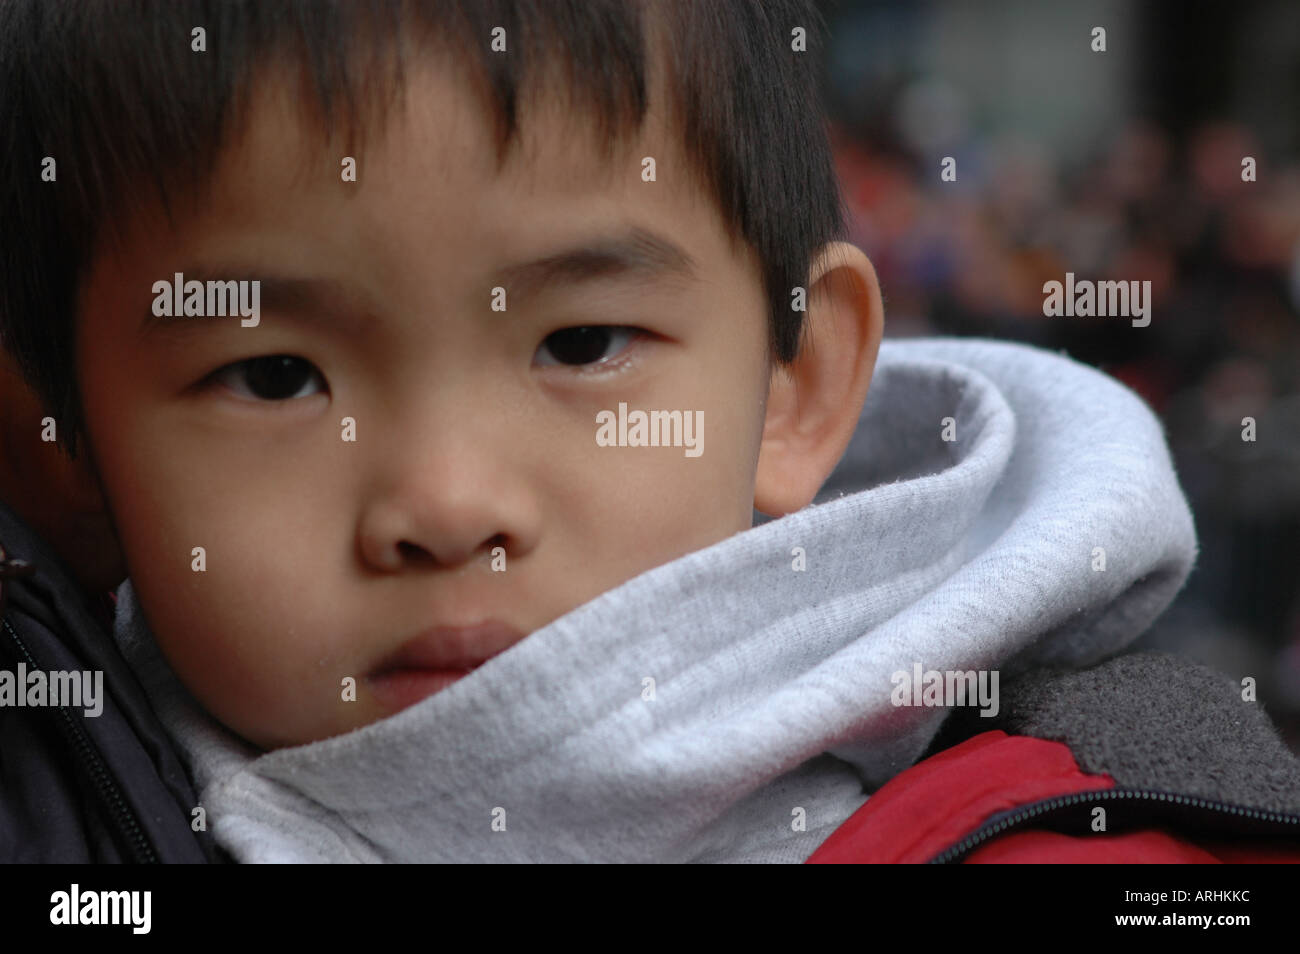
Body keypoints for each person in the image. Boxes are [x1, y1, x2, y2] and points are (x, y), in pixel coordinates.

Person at [1, 0, 1297, 863]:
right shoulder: (60, 796)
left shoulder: (1093, 828)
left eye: (580, 344)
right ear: (61, 441)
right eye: (276, 374)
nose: (448, 504)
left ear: (795, 384)